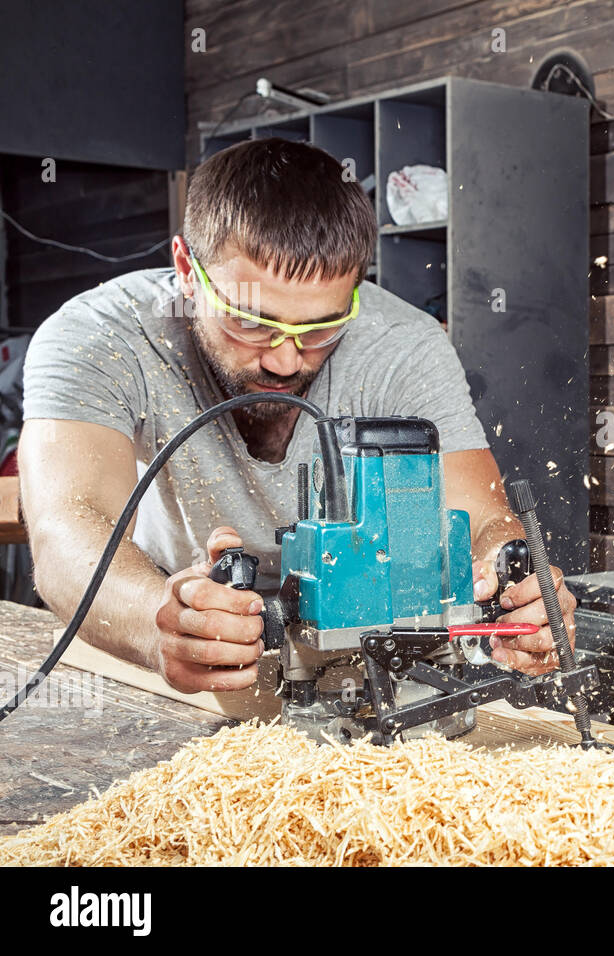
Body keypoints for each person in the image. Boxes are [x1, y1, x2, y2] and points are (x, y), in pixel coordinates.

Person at [18, 137, 575, 695]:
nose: (285, 360)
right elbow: (68, 528)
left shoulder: (406, 344)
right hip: (173, 622)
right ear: (188, 268)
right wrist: (156, 619)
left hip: (358, 638)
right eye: (252, 322)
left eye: (320, 328)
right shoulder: (102, 335)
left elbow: (482, 521)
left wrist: (515, 579)